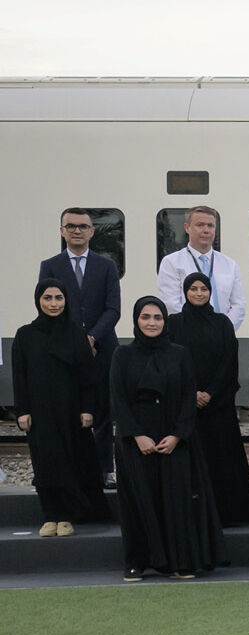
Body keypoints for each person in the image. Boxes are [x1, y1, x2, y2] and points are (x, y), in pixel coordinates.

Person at [110, 297, 224, 581]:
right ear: (136, 320)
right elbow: (117, 399)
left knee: (177, 502)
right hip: (136, 442)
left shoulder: (180, 354)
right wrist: (137, 435)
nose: (152, 323)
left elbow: (189, 397)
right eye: (146, 317)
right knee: (139, 502)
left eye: (158, 317)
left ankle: (179, 561)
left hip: (175, 440)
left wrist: (177, 435)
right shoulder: (122, 355)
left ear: (165, 321)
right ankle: (136, 562)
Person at [13, 279, 106, 536]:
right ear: (38, 301)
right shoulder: (25, 335)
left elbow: (88, 376)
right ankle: (50, 514)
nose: (53, 304)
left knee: (70, 459)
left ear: (66, 301)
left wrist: (88, 409)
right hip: (40, 412)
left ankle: (67, 515)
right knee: (45, 462)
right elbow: (20, 376)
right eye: (47, 298)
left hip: (70, 411)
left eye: (58, 298)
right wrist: (22, 411)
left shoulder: (76, 334)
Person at [168, 272, 249, 526]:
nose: (198, 293)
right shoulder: (174, 323)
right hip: (187, 408)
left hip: (218, 407)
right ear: (185, 291)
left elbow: (228, 362)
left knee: (222, 461)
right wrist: (191, 393)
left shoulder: (222, 323)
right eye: (193, 288)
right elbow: (171, 363)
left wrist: (211, 393)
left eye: (203, 289)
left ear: (210, 292)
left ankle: (227, 514)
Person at [39, 206, 120, 486]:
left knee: (102, 411)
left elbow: (113, 309)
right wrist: (75, 342)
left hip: (102, 349)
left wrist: (92, 338)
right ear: (62, 231)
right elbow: (49, 308)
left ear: (92, 231)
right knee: (67, 408)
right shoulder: (49, 266)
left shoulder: (107, 265)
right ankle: (71, 468)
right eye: (71, 226)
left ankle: (103, 470)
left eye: (82, 226)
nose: (77, 231)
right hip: (64, 351)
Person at [157, 205, 246, 329]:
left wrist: (223, 329)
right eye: (200, 225)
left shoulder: (230, 265)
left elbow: (238, 305)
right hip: (186, 336)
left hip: (222, 337)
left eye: (210, 226)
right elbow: (171, 304)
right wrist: (197, 330)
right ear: (187, 228)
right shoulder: (172, 263)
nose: (206, 230)